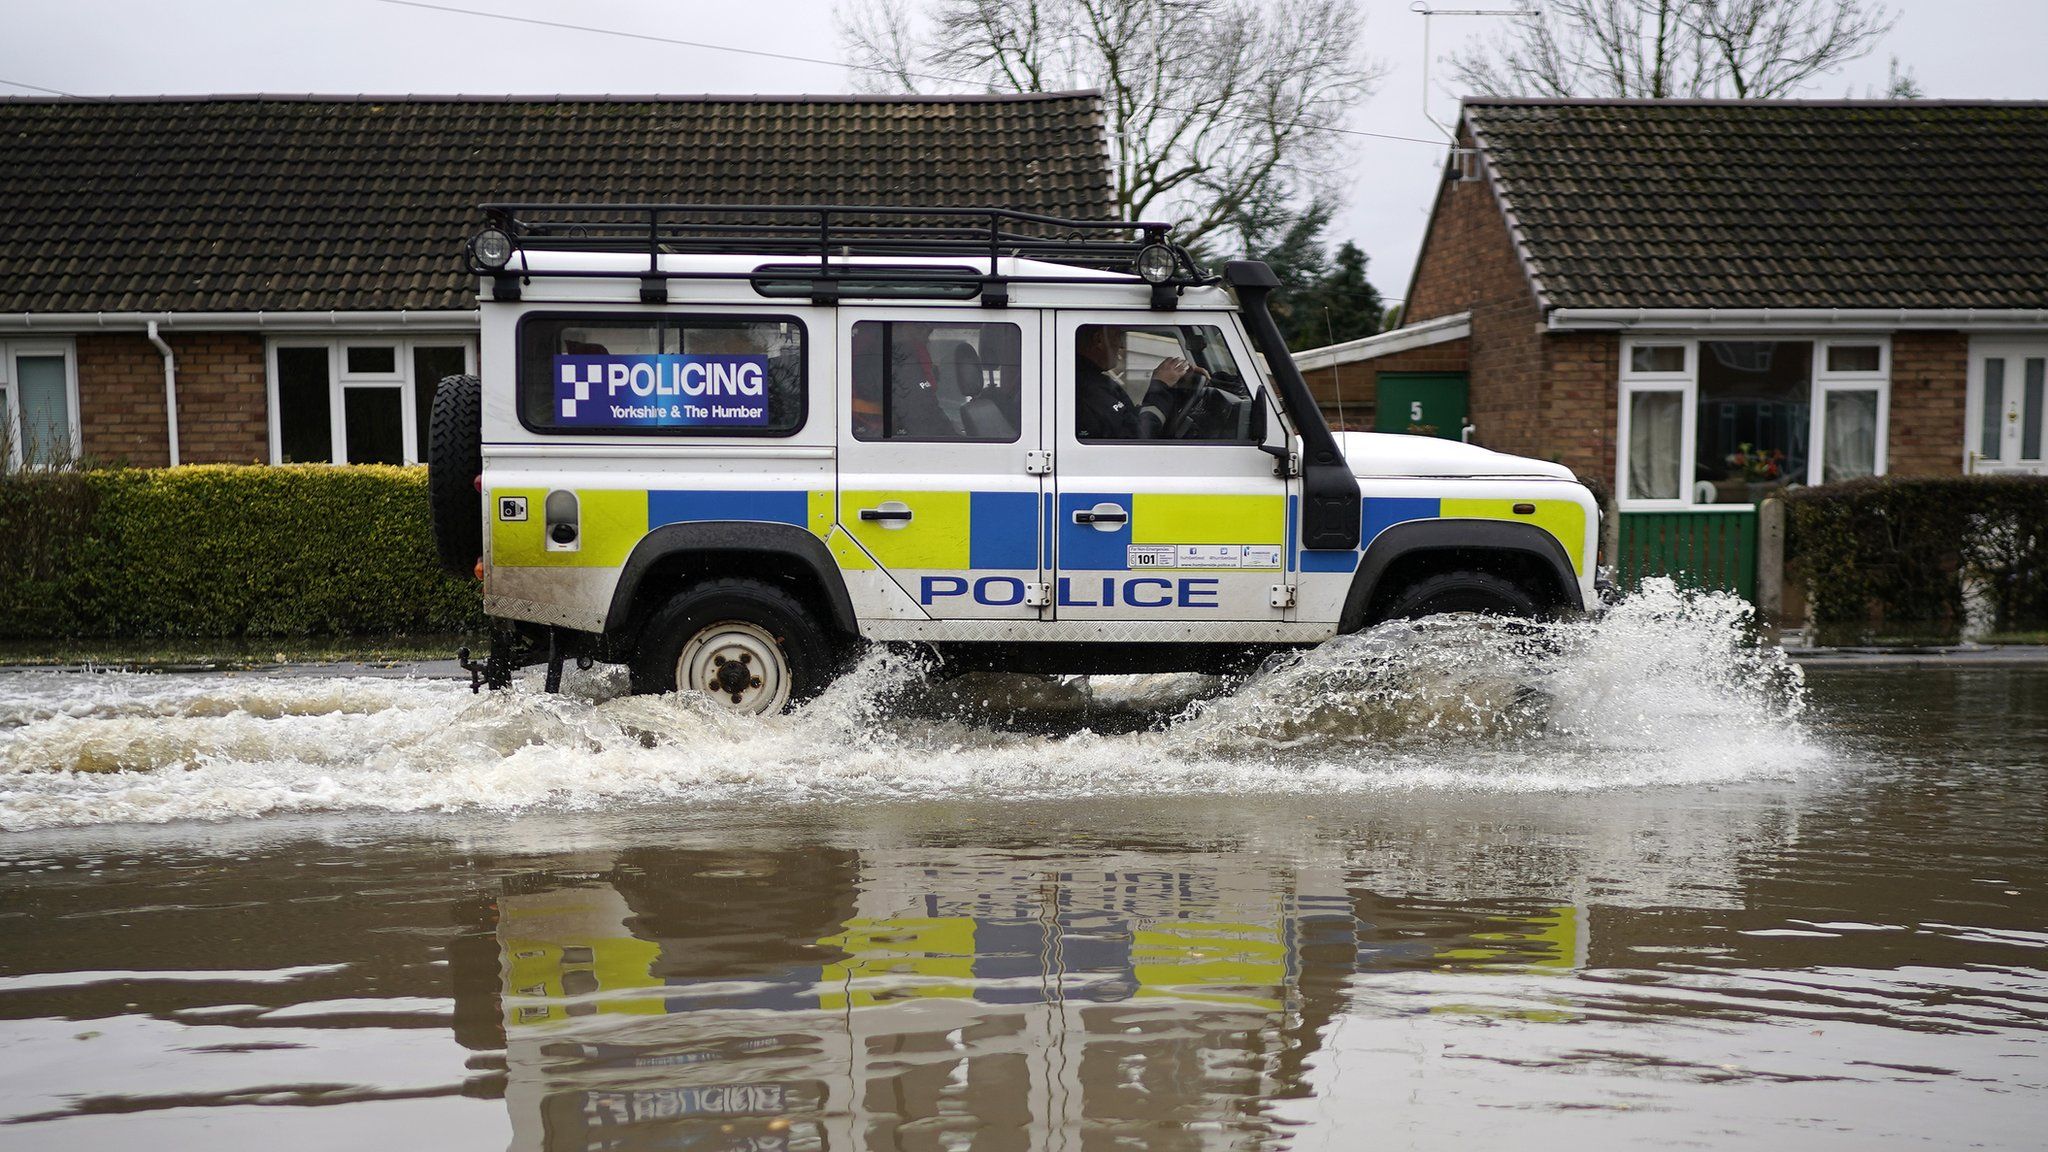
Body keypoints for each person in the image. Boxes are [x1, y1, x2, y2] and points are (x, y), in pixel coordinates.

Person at [1073, 325, 1197, 440]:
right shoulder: (1088, 390)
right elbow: (1138, 439)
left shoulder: (1091, 380)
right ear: (1099, 340)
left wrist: (1179, 389)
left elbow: (1130, 419)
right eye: (1117, 336)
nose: (1121, 345)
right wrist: (1160, 386)